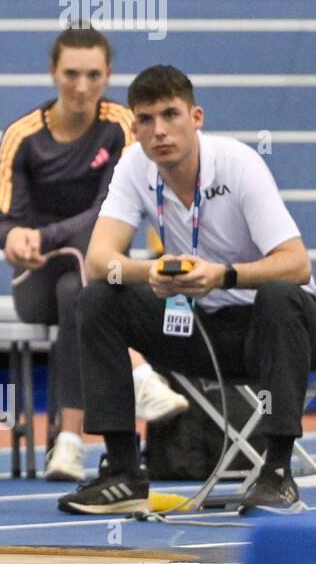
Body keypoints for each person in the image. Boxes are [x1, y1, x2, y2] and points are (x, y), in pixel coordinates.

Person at [60, 65, 316, 515]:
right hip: (198, 326)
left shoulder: (239, 165)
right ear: (134, 126)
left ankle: (276, 472)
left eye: (170, 115)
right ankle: (123, 472)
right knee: (99, 297)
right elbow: (101, 260)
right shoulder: (135, 166)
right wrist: (149, 272)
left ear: (195, 117)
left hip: (272, 332)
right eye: (146, 119)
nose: (159, 130)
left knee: (279, 295)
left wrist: (224, 275)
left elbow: (296, 265)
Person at [0, 26, 187, 481]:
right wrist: (13, 238)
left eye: (94, 76)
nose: (82, 87)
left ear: (108, 74)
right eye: (72, 74)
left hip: (103, 276)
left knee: (77, 288)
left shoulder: (122, 125)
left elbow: (110, 209)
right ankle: (138, 375)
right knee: (75, 279)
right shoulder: (23, 136)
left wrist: (46, 232)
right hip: (34, 281)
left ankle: (70, 443)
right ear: (53, 72)